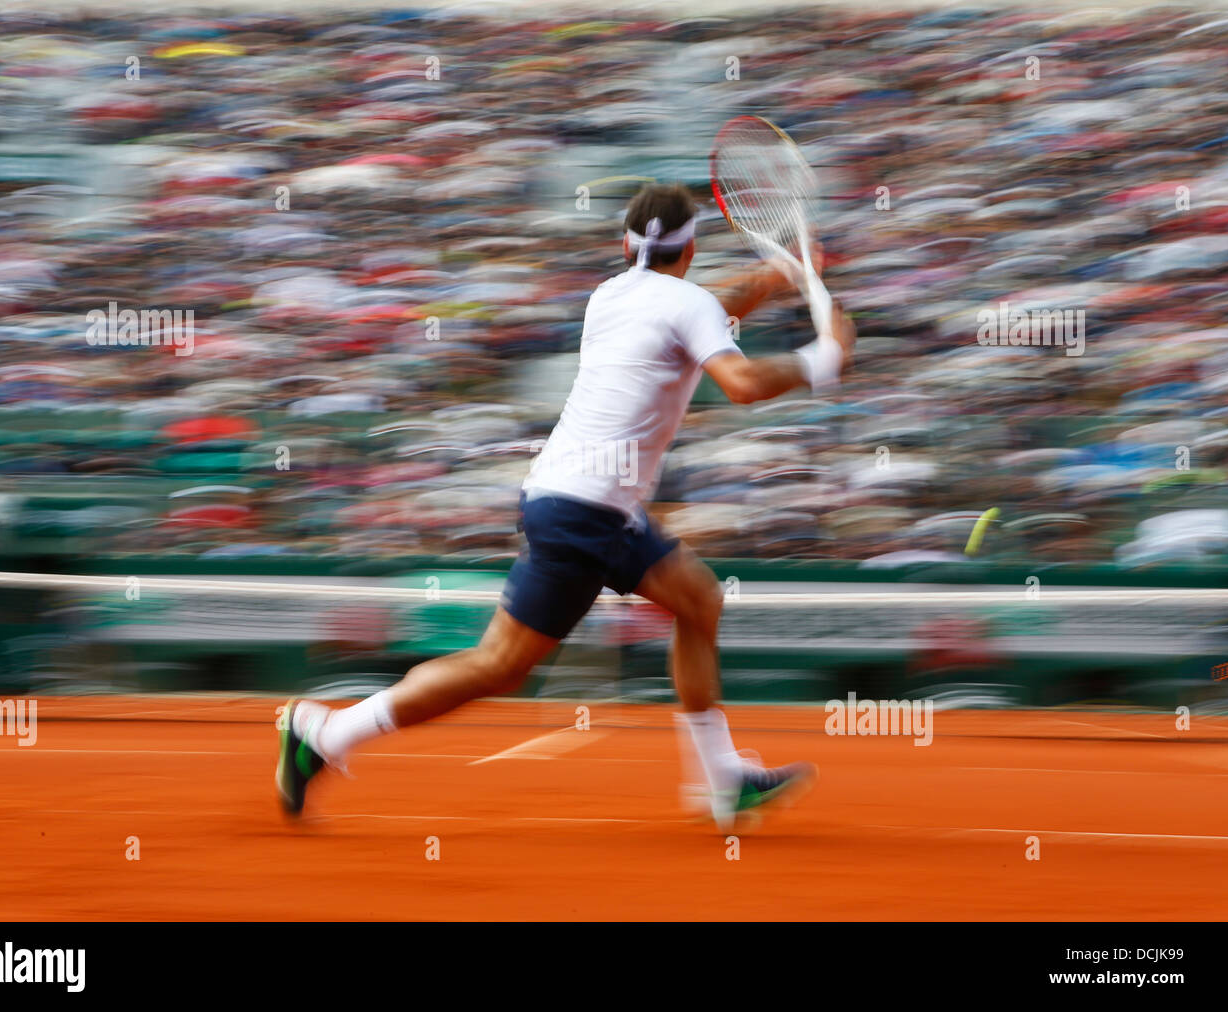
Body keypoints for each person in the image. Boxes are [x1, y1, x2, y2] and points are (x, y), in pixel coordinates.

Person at [277, 182, 856, 831]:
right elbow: (741, 382)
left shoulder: (610, 294)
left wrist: (772, 276)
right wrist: (822, 359)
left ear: (627, 245)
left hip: (584, 501)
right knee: (499, 666)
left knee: (697, 599)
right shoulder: (685, 303)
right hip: (587, 511)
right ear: (690, 247)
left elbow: (705, 308)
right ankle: (324, 733)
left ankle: (722, 781)